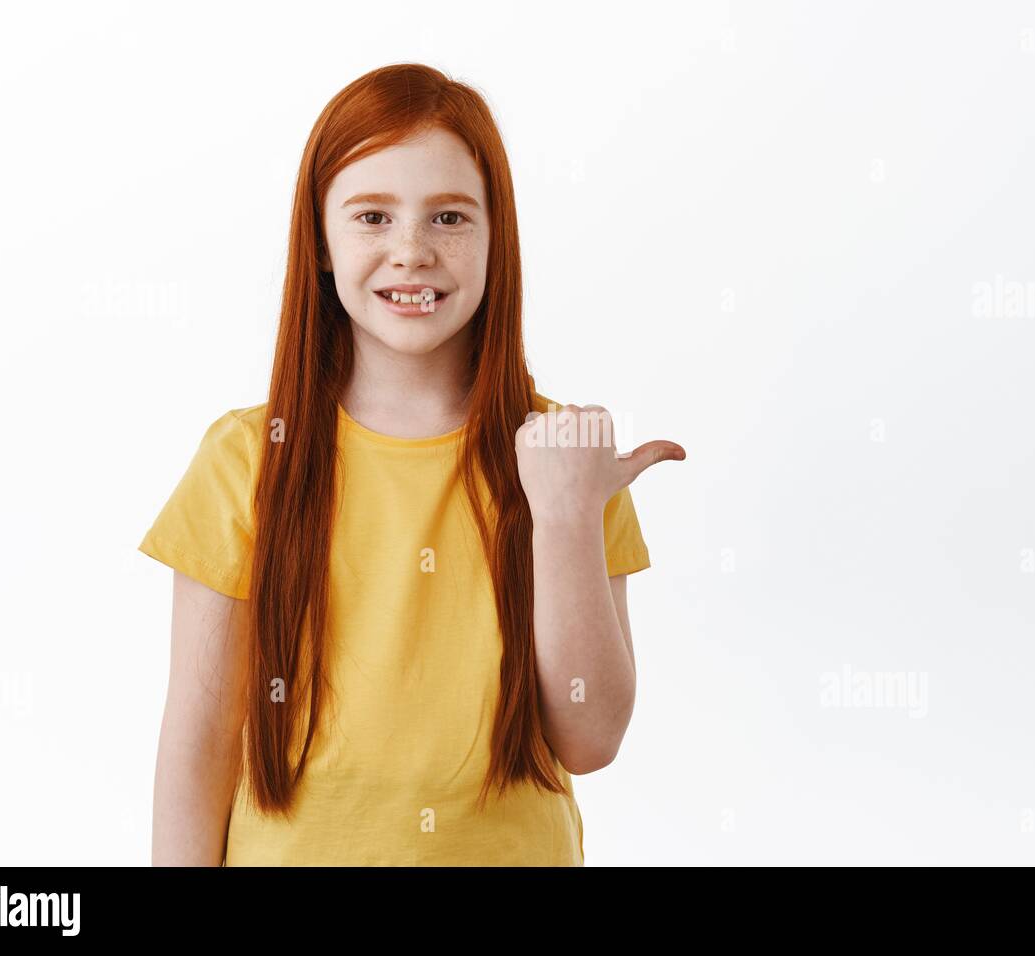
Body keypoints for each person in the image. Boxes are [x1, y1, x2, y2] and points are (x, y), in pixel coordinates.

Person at [139, 63, 685, 866]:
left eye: (450, 218)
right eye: (372, 216)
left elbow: (590, 737)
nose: (411, 251)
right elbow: (198, 747)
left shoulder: (565, 458)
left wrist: (566, 516)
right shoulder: (247, 458)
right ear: (321, 244)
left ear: (496, 239)